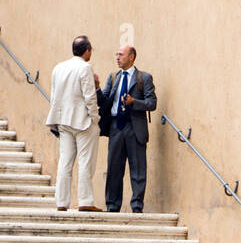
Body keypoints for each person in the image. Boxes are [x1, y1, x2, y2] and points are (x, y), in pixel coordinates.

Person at [45, 36, 101, 212]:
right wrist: (95, 118)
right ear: (86, 51)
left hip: (63, 121)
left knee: (65, 162)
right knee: (85, 162)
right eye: (91, 49)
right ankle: (85, 201)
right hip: (83, 121)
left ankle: (61, 202)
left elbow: (54, 97)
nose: (91, 53)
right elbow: (90, 96)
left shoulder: (58, 68)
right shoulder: (85, 68)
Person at [98, 46, 157, 213]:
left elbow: (152, 103)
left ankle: (137, 206)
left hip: (135, 127)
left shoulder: (143, 78)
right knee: (114, 168)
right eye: (116, 54)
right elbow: (105, 101)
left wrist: (134, 102)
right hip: (116, 127)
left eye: (121, 54)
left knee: (138, 168)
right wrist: (96, 89)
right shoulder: (113, 76)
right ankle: (112, 205)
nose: (117, 57)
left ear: (131, 57)